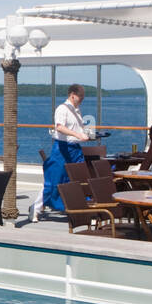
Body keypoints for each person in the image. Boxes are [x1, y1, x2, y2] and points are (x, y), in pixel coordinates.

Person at [31, 83, 92, 221]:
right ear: (72, 95)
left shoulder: (77, 110)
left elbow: (76, 129)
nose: (82, 99)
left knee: (77, 180)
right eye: (80, 96)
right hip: (62, 149)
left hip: (75, 149)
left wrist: (85, 135)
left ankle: (78, 209)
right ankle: (36, 208)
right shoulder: (62, 109)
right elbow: (59, 127)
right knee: (53, 180)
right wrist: (78, 135)